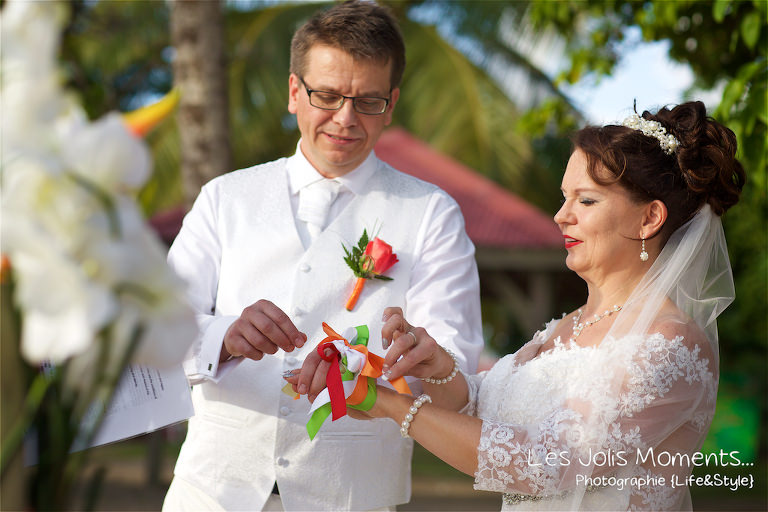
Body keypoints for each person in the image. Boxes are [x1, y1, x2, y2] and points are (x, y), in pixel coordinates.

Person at [289, 100, 746, 510]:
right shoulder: (562, 328)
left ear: (650, 217)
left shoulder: (670, 342)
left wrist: (388, 404)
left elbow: (547, 462)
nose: (561, 215)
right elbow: (482, 412)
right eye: (564, 198)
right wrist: (439, 367)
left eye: (586, 200)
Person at [162, 1, 483, 511]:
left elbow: (453, 373)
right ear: (294, 92)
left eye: (369, 102)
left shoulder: (430, 213)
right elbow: (158, 328)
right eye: (328, 96)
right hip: (212, 492)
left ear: (392, 103)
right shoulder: (225, 198)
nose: (346, 119)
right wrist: (223, 337)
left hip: (351, 496)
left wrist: (396, 359)